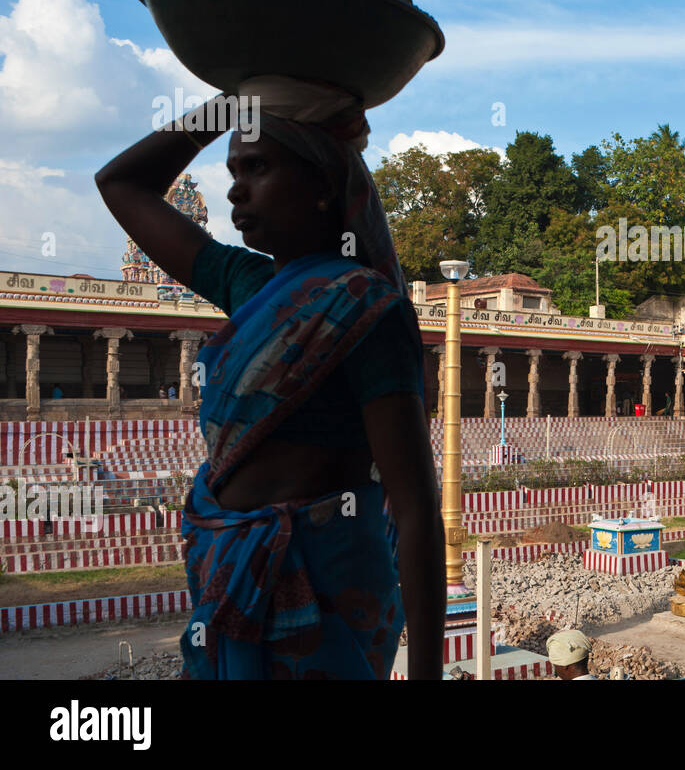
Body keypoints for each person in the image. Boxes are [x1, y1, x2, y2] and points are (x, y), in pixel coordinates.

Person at [95, 78, 445, 679]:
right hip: (228, 574)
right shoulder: (246, 282)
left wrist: (427, 676)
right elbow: (121, 184)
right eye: (232, 171)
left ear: (321, 184)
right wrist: (232, 104)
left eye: (257, 166)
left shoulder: (366, 308)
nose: (236, 190)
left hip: (325, 582)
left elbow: (414, 504)